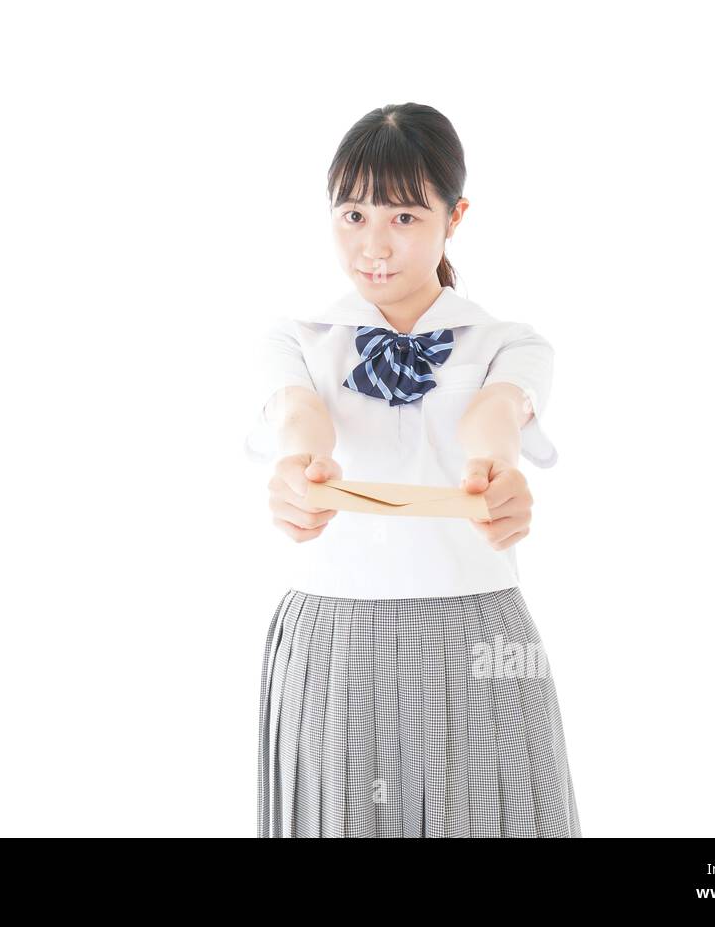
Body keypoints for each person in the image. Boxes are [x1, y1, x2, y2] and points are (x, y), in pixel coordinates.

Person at [247, 102, 581, 838]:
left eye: (403, 217)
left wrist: (496, 472)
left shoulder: (510, 343)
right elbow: (297, 415)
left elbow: (494, 416)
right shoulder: (297, 339)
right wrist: (300, 468)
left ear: (454, 216)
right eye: (353, 215)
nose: (374, 244)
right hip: (331, 635)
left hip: (479, 631)